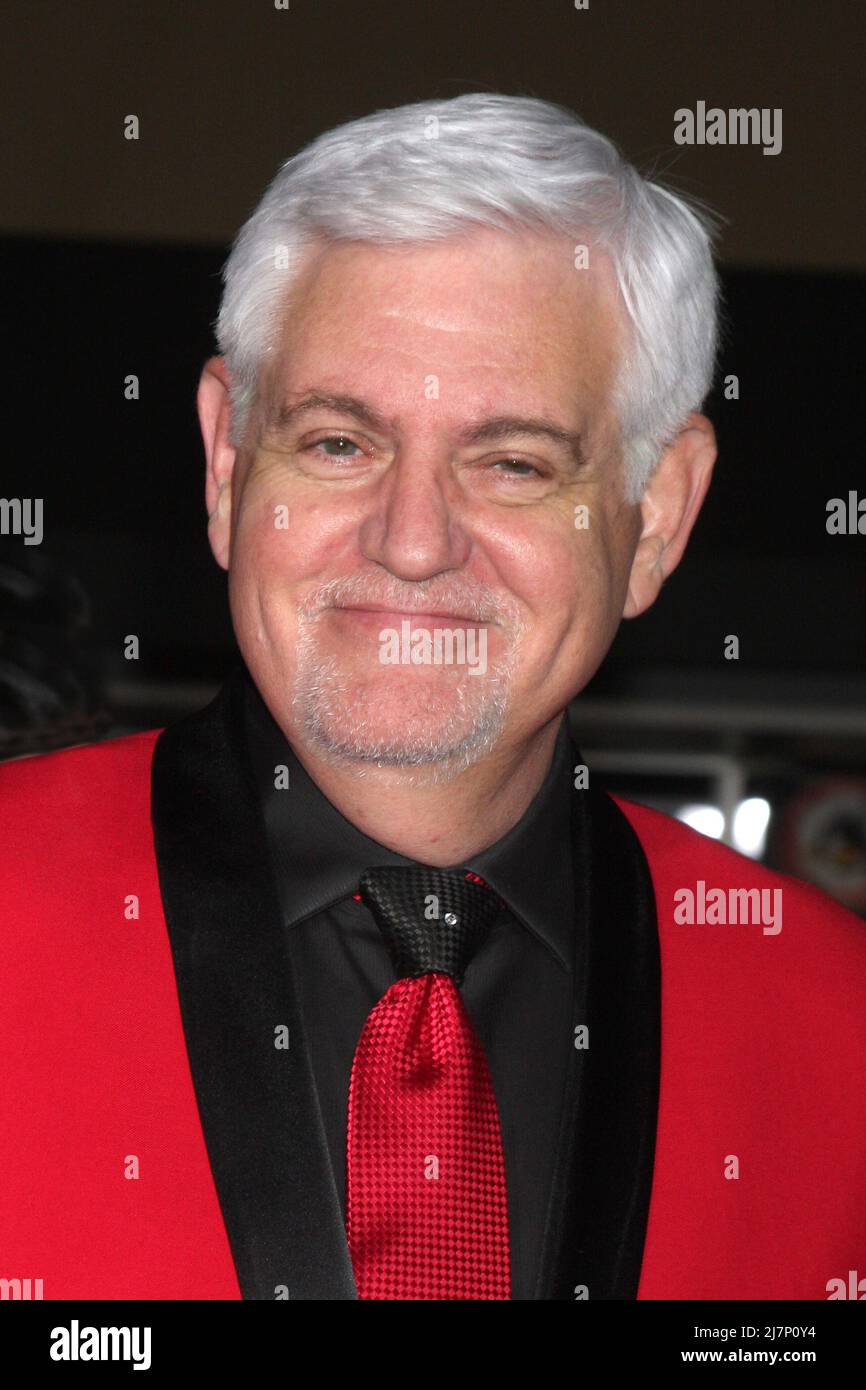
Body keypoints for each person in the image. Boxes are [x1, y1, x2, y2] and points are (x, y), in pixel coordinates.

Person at [2, 93, 864, 1302]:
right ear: (225, 461)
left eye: (510, 462)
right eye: (339, 444)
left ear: (655, 513)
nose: (412, 543)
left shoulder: (835, 1031)